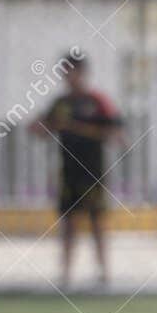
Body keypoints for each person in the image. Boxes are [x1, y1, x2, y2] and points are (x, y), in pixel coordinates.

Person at [31, 50, 121, 290]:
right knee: (68, 223)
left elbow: (116, 134)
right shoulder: (61, 104)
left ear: (82, 72)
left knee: (96, 221)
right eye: (65, 72)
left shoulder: (98, 102)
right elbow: (42, 130)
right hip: (68, 172)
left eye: (73, 71)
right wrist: (39, 125)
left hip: (93, 172)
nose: (69, 76)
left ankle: (104, 274)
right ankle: (65, 274)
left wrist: (76, 127)